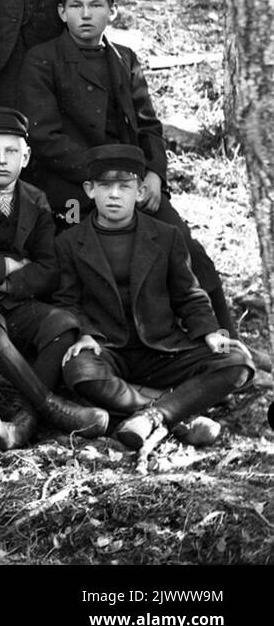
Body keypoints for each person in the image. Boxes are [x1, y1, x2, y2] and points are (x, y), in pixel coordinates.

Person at [20, 0, 234, 333]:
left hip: (134, 185)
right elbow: (44, 137)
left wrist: (153, 175)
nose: (86, 14)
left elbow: (149, 127)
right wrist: (108, 178)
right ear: (61, 13)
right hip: (73, 185)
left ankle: (224, 338)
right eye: (75, 6)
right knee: (79, 261)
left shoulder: (125, 58)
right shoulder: (43, 59)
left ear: (112, 11)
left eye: (96, 5)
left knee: (185, 249)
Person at [57, 145, 253, 454]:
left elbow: (189, 294)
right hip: (109, 350)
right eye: (105, 186)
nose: (114, 195)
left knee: (237, 361)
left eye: (125, 186)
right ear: (89, 190)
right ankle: (181, 414)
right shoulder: (69, 242)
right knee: (79, 372)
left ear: (140, 191)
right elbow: (67, 300)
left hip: (164, 349)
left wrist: (211, 332)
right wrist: (85, 333)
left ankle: (153, 415)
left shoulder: (166, 235)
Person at [0, 107, 109, 446]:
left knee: (62, 325)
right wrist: (10, 265)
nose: (2, 160)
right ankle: (48, 407)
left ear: (26, 156)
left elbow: (47, 270)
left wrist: (7, 281)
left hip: (16, 300)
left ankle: (23, 422)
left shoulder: (36, 199)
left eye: (12, 151)